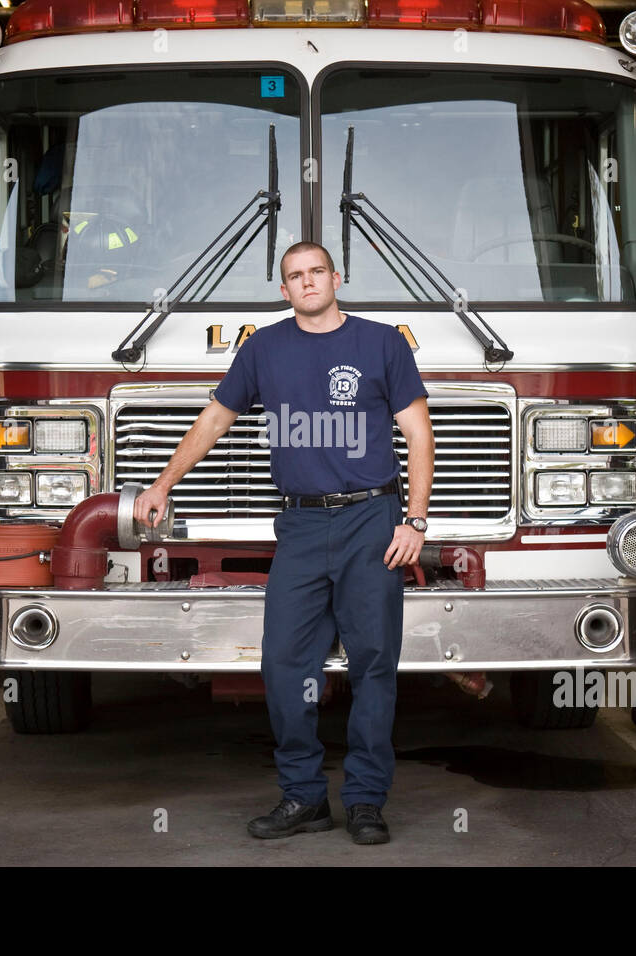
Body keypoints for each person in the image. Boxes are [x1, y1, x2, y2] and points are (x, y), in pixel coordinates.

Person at [132, 241, 434, 845]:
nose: (307, 282)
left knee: (375, 664)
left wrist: (415, 522)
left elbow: (418, 433)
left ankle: (367, 801)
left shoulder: (381, 343)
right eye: (294, 276)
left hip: (371, 522)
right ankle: (303, 797)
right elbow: (216, 418)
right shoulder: (263, 348)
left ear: (336, 277)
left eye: (316, 271)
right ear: (283, 289)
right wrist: (162, 482)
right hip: (299, 526)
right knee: (282, 666)